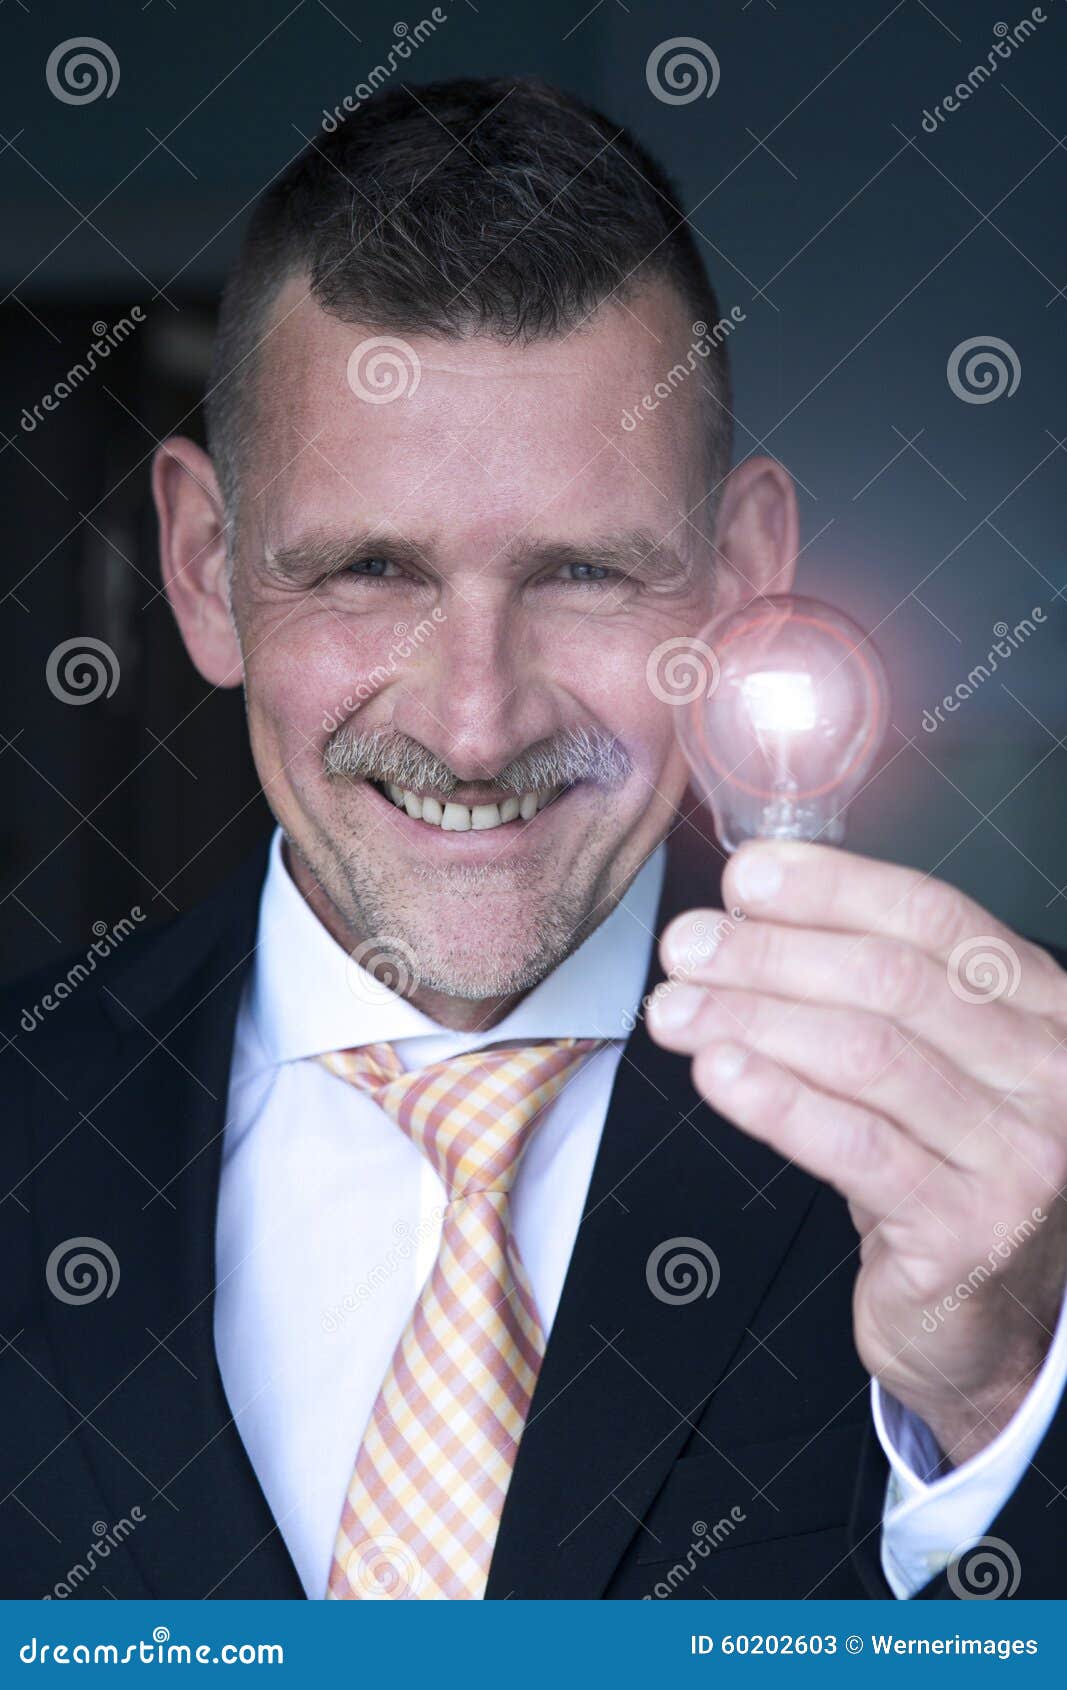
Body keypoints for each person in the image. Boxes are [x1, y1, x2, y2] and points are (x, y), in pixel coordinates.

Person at [3, 76, 1065, 1603]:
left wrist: (1007, 1389)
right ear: (205, 563)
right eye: (370, 570)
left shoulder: (1016, 1134)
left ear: (743, 571)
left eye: (581, 573)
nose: (475, 725)